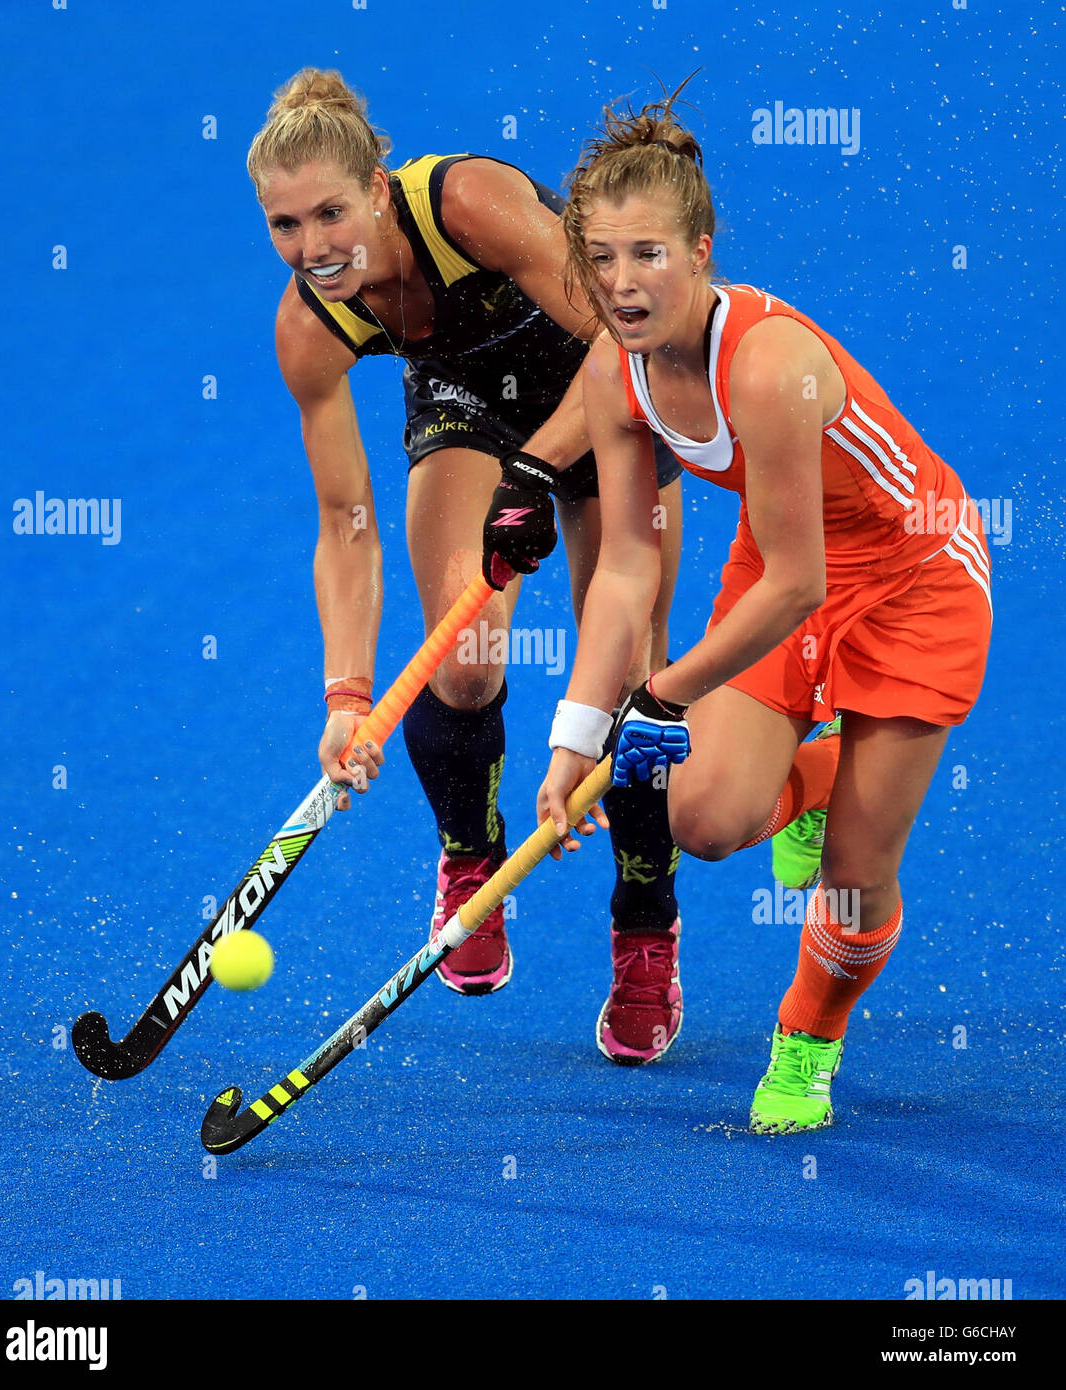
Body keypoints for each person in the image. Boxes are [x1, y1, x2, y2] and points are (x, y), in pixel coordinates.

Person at [534, 93, 992, 1132]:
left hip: (917, 575)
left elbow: (800, 585)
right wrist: (575, 742)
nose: (621, 284)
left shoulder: (770, 365)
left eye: (646, 254)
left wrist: (663, 692)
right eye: (599, 259)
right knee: (704, 817)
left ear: (702, 247)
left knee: (857, 876)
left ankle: (807, 1036)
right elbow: (623, 570)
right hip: (791, 551)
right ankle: (829, 773)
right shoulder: (616, 371)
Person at [246, 68, 690, 1058]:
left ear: (376, 185)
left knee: (628, 688)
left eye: (328, 212)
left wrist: (540, 468)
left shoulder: (468, 203)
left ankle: (644, 933)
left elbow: (623, 344)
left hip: (615, 386)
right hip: (470, 401)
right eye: (284, 226)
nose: (313, 248)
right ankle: (468, 853)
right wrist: (347, 695)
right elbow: (346, 519)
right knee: (461, 652)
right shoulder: (308, 330)